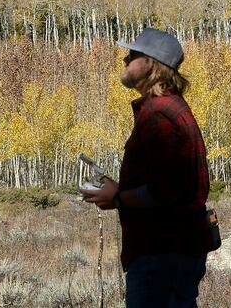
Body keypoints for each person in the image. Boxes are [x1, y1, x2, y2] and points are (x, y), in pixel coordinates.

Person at [83, 27, 213, 307]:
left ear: (152, 64)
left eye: (132, 54)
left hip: (161, 254)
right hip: (173, 253)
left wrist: (117, 198)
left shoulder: (158, 115)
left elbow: (165, 192)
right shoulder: (170, 108)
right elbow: (172, 183)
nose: (125, 60)